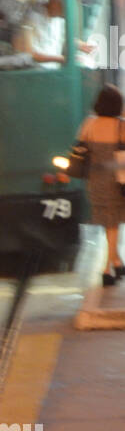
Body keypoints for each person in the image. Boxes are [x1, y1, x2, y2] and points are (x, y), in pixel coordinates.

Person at [75, 84, 125, 286]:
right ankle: (107, 270)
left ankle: (116, 261)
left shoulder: (88, 124)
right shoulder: (121, 126)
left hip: (94, 181)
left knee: (108, 222)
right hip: (115, 181)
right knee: (113, 224)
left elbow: (79, 148)